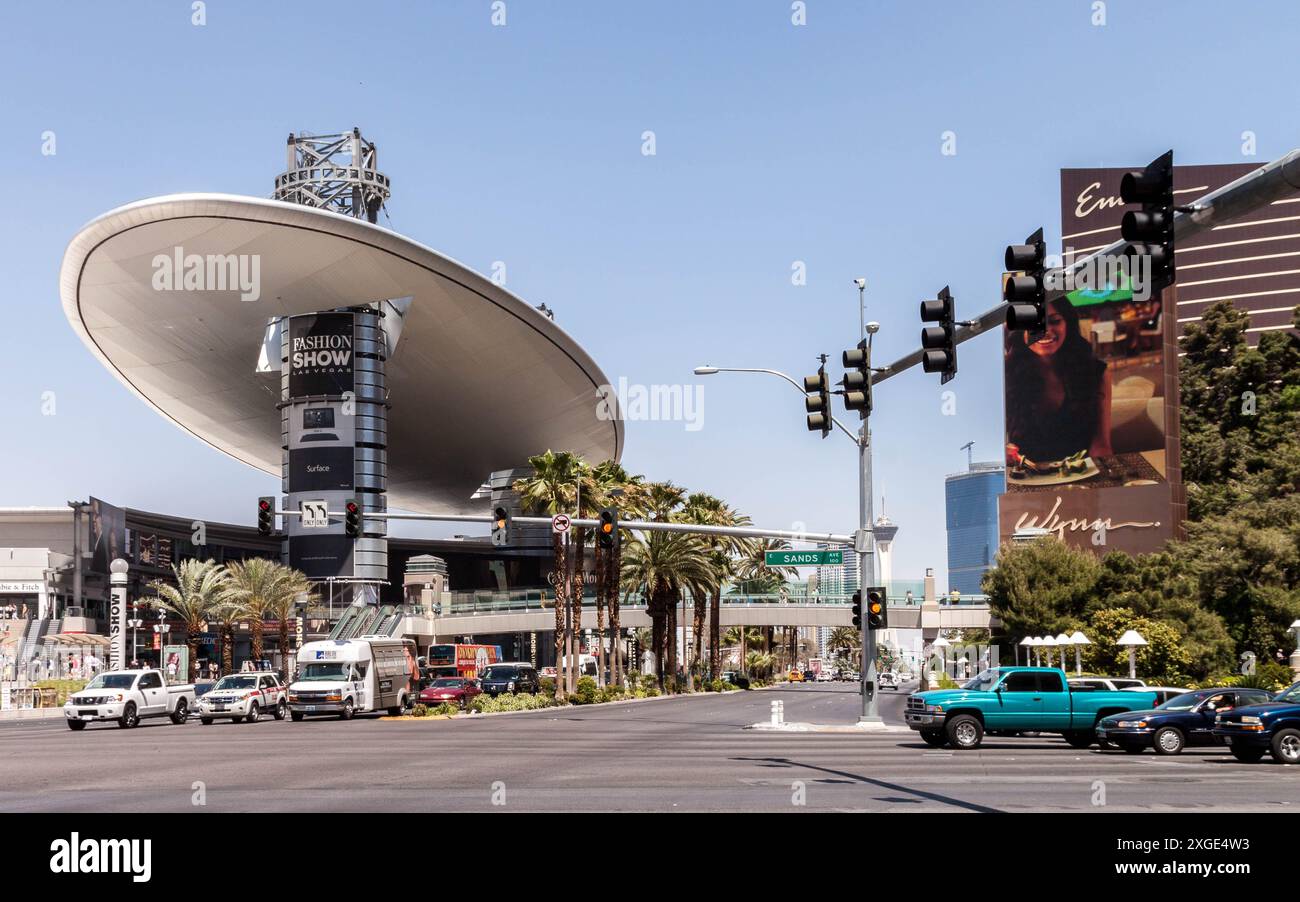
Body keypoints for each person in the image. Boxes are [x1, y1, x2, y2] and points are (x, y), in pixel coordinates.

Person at [1005, 295, 1113, 463]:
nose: (1046, 330)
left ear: (1067, 324)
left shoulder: (1095, 372)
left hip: (1081, 475)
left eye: (1054, 321)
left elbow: (1101, 444)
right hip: (1025, 477)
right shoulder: (1005, 375)